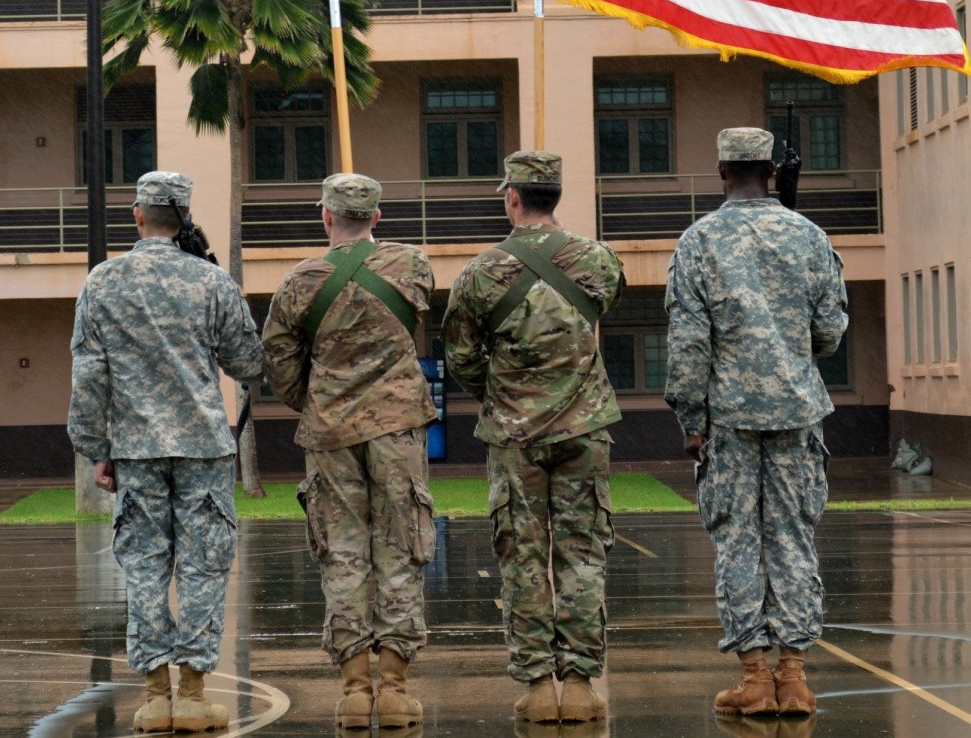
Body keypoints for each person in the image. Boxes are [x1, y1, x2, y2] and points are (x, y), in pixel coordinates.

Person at [67, 171, 263, 735]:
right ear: (185, 217)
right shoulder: (210, 281)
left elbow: (88, 377)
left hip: (136, 450)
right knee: (204, 568)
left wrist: (96, 449)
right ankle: (194, 696)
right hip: (203, 449)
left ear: (137, 214)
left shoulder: (102, 283)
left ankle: (156, 698)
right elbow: (248, 363)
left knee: (144, 568)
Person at [665, 128, 849, 718]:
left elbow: (689, 341)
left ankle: (754, 678)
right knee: (794, 538)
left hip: (728, 418)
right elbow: (830, 332)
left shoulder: (698, 241)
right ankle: (794, 678)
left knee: (737, 540)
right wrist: (788, 351)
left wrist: (691, 419)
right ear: (771, 171)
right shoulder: (809, 236)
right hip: (797, 413)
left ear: (722, 170)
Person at [441, 151, 625, 725]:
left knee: (522, 559)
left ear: (512, 198)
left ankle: (539, 686)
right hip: (584, 427)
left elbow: (461, 356)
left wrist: (502, 395)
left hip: (514, 435)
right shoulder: (597, 260)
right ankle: (581, 685)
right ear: (556, 196)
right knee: (582, 554)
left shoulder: (479, 272)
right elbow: (603, 306)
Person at [261, 173, 436, 730]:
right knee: (401, 548)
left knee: (342, 554)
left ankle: (356, 691)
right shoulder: (411, 265)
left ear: (326, 216)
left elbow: (278, 357)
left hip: (330, 433)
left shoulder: (300, 281)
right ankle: (396, 690)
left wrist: (314, 400)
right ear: (377, 216)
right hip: (398, 428)